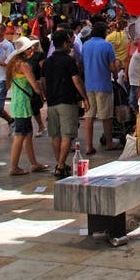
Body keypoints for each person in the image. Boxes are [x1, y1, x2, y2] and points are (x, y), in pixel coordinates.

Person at [42, 29, 89, 178]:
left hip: (52, 101)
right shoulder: (69, 61)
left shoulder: (47, 61)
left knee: (55, 135)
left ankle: (60, 164)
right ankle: (61, 165)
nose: (71, 44)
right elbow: (76, 80)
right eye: (69, 42)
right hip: (67, 100)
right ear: (64, 43)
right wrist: (85, 97)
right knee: (67, 134)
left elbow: (43, 82)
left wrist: (47, 95)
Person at [6, 37, 48, 176]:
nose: (33, 50)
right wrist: (42, 93)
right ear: (25, 51)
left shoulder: (14, 64)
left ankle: (34, 164)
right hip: (23, 103)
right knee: (20, 135)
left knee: (28, 134)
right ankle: (14, 166)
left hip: (18, 102)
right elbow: (34, 85)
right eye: (30, 48)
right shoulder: (24, 65)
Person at [81, 21, 120, 155]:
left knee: (89, 116)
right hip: (103, 84)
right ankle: (109, 142)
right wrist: (115, 74)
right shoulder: (107, 45)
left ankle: (88, 146)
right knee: (106, 116)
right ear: (103, 33)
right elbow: (112, 66)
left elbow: (81, 63)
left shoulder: (85, 45)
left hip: (88, 85)